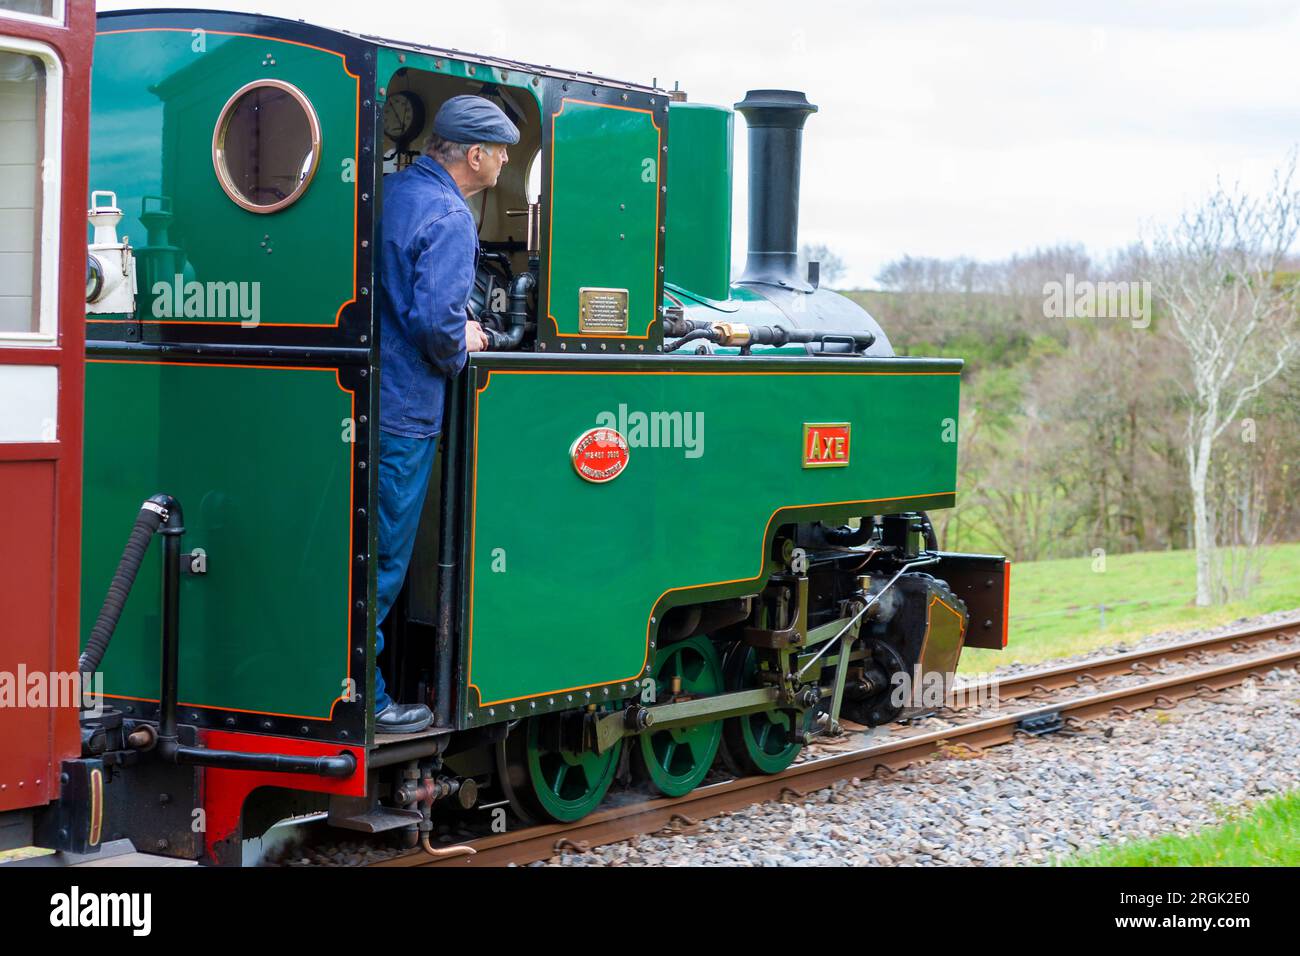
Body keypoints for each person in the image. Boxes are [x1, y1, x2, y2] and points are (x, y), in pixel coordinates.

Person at [373, 94, 519, 733]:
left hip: (362, 397)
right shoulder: (449, 216)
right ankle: (369, 701)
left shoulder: (391, 193)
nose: (507, 161)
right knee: (382, 560)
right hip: (406, 406)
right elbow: (436, 329)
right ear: (476, 155)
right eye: (503, 150)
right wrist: (470, 338)